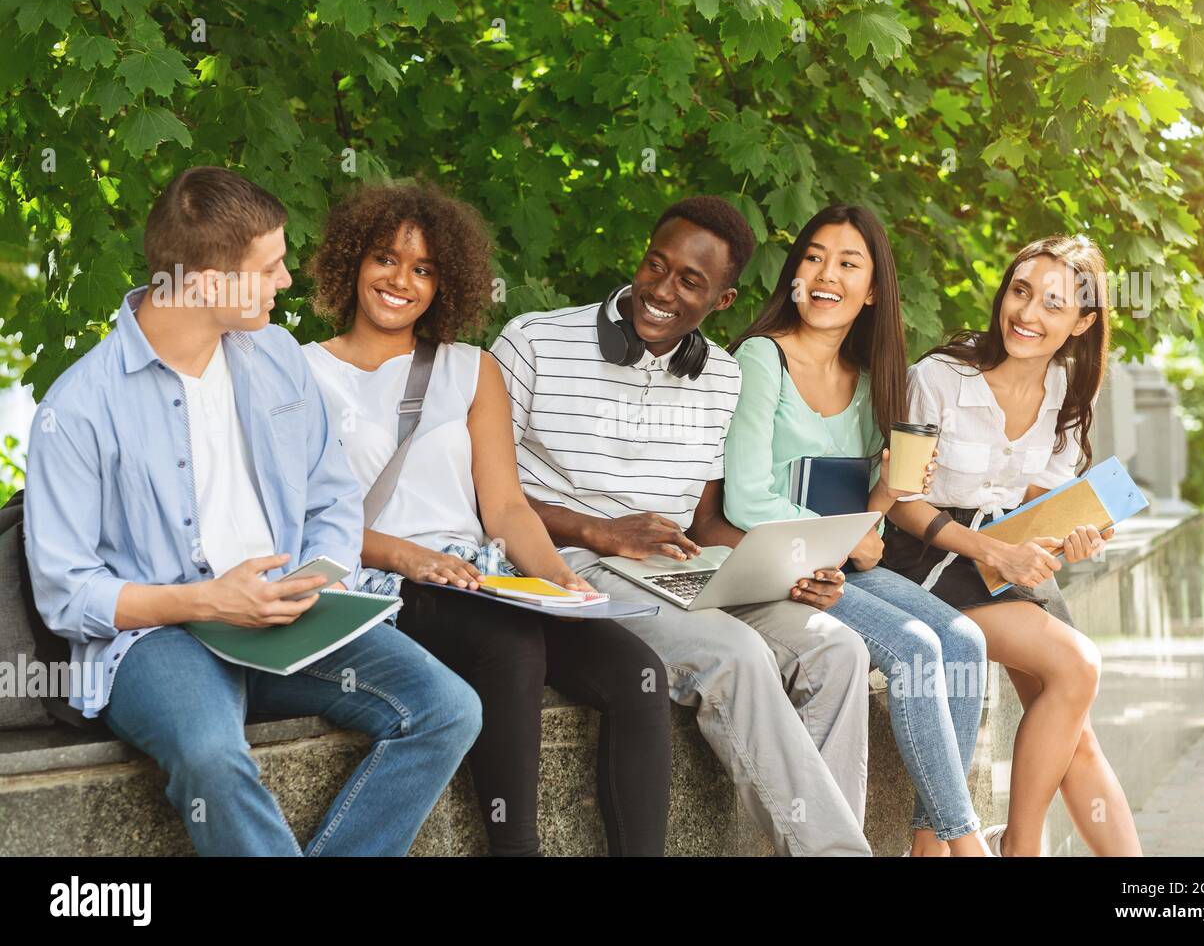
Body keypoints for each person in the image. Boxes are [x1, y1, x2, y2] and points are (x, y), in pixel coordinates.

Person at [23, 166, 481, 856]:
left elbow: (330, 495)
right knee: (210, 753)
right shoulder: (80, 407)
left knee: (448, 709)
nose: (288, 281)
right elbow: (67, 593)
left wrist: (319, 577)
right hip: (160, 641)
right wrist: (205, 600)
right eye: (270, 268)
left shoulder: (273, 355)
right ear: (210, 285)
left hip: (288, 616)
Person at [492, 195, 875, 856]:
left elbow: (705, 524)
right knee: (737, 656)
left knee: (839, 649)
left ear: (722, 301)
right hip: (563, 566)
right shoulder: (531, 341)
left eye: (690, 282)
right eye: (655, 265)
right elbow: (482, 497)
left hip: (678, 568)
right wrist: (600, 532)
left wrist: (789, 570)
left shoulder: (722, 377)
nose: (662, 289)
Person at [305, 180, 671, 856]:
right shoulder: (300, 374)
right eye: (385, 259)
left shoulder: (472, 371)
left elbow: (504, 506)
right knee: (508, 642)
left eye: (423, 269)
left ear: (445, 284)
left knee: (638, 672)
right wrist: (410, 557)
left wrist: (562, 581)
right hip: (380, 581)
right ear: (353, 260)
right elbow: (300, 521)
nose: (400, 281)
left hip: (481, 578)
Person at [721, 204, 990, 856]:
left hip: (841, 565)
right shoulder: (761, 360)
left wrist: (891, 489)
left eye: (848, 263)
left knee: (964, 640)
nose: (826, 274)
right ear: (791, 275)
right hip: (772, 565)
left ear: (872, 291)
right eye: (813, 257)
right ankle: (967, 841)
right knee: (915, 648)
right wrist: (850, 540)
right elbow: (747, 498)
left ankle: (929, 840)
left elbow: (869, 514)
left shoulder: (871, 384)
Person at [884, 235, 1143, 856]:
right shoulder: (939, 378)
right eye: (1020, 292)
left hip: (1008, 558)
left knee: (1076, 734)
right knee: (1077, 665)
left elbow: (1038, 506)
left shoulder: (1067, 394)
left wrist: (1078, 539)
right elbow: (898, 498)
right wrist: (992, 552)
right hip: (932, 555)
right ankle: (1021, 849)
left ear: (1082, 322)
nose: (1028, 315)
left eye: (1054, 305)